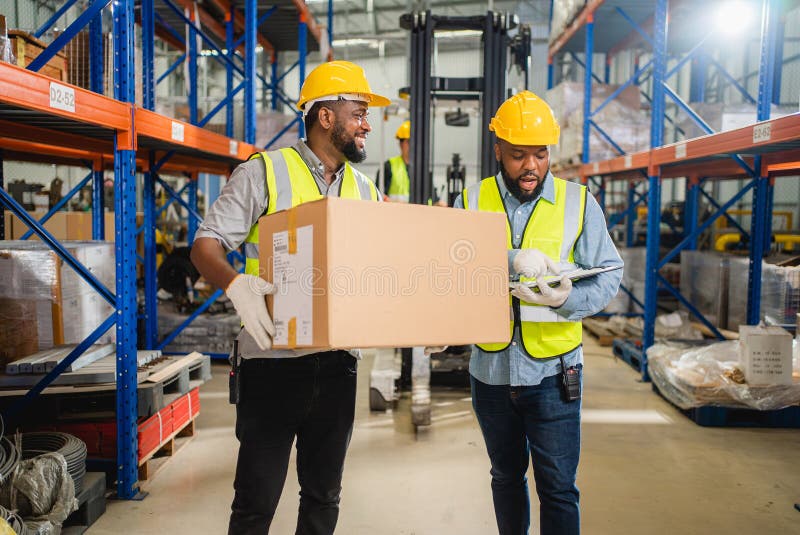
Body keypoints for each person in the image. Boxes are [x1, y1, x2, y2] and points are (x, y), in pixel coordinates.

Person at [190, 60, 390, 535]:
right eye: (358, 113)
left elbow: (386, 267)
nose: (367, 124)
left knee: (323, 500)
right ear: (325, 116)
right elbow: (204, 245)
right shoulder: (266, 172)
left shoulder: (366, 190)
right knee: (256, 502)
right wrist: (235, 285)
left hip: (338, 366)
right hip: (273, 364)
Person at [454, 91, 623, 535]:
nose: (531, 166)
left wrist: (564, 301)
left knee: (558, 489)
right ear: (498, 151)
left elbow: (609, 275)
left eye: (540, 154)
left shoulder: (578, 202)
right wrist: (508, 258)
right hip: (490, 372)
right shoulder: (470, 201)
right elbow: (448, 270)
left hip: (555, 375)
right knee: (505, 478)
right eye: (518, 155)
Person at [378, 120, 411, 202]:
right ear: (401, 144)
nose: (412, 145)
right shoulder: (388, 166)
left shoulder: (423, 170)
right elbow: (378, 196)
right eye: (409, 141)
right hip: (393, 213)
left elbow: (432, 199)